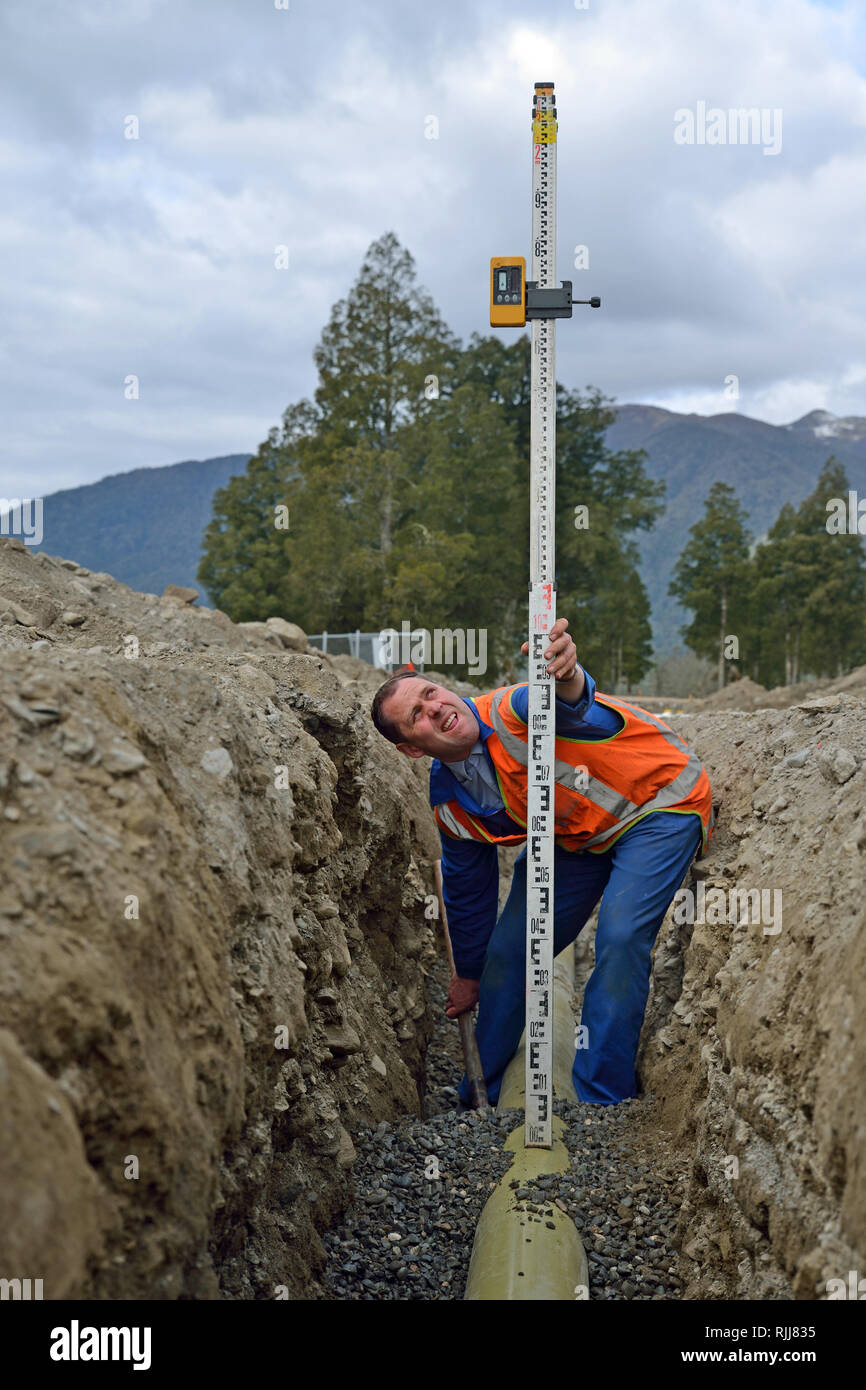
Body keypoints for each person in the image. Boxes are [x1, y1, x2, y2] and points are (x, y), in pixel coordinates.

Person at [370, 619, 714, 1107]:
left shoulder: (513, 712)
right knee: (509, 954)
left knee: (618, 937)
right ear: (410, 748)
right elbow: (469, 891)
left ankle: (601, 1101)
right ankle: (479, 1096)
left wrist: (565, 673)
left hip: (656, 804)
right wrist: (468, 974)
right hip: (577, 835)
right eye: (418, 716)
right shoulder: (450, 803)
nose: (437, 709)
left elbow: (571, 702)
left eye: (431, 693)